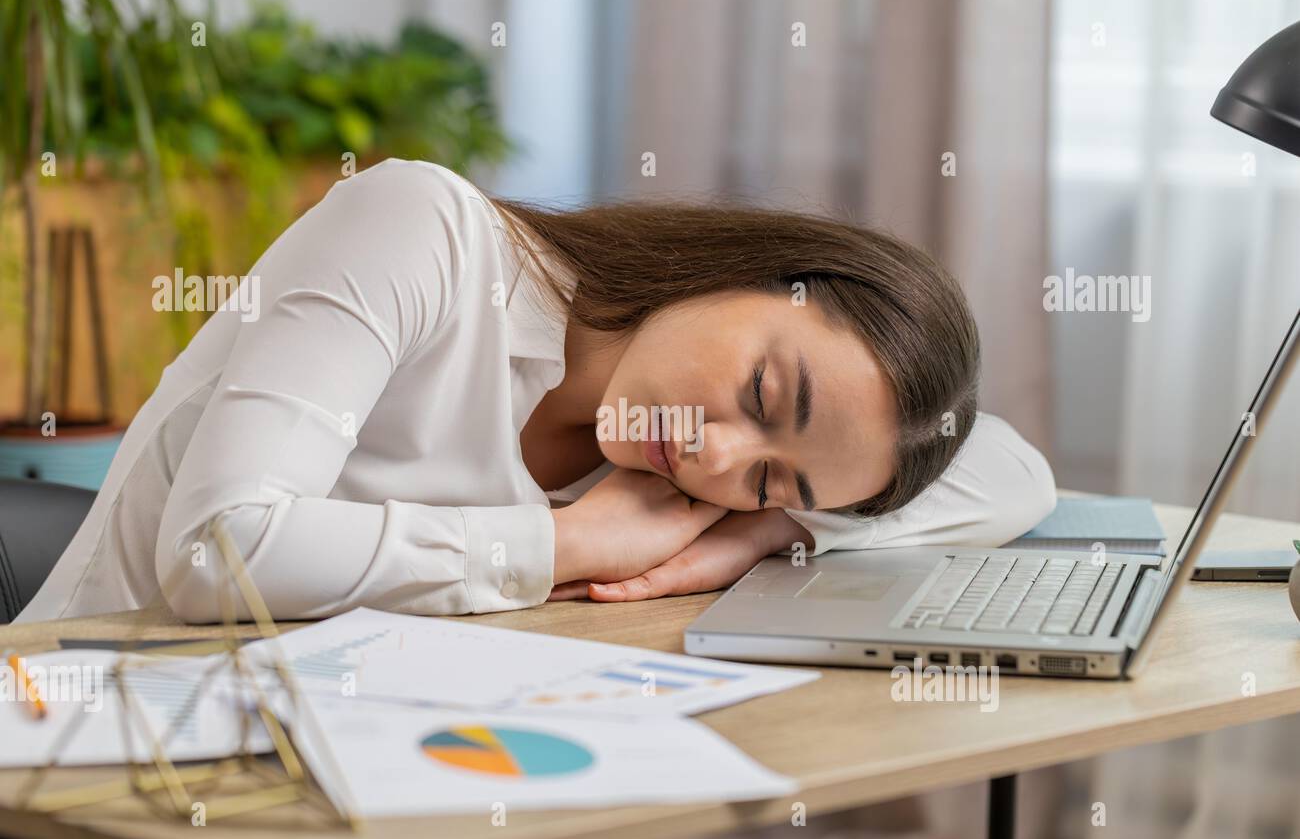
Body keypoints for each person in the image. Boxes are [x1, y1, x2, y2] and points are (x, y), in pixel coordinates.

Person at [14, 159, 1054, 625]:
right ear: (748, 263)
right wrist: (567, 546)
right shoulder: (422, 230)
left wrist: (758, 532)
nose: (717, 459)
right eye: (760, 392)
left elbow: (1018, 475)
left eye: (772, 475)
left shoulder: (683, 483)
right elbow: (216, 557)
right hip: (89, 761)